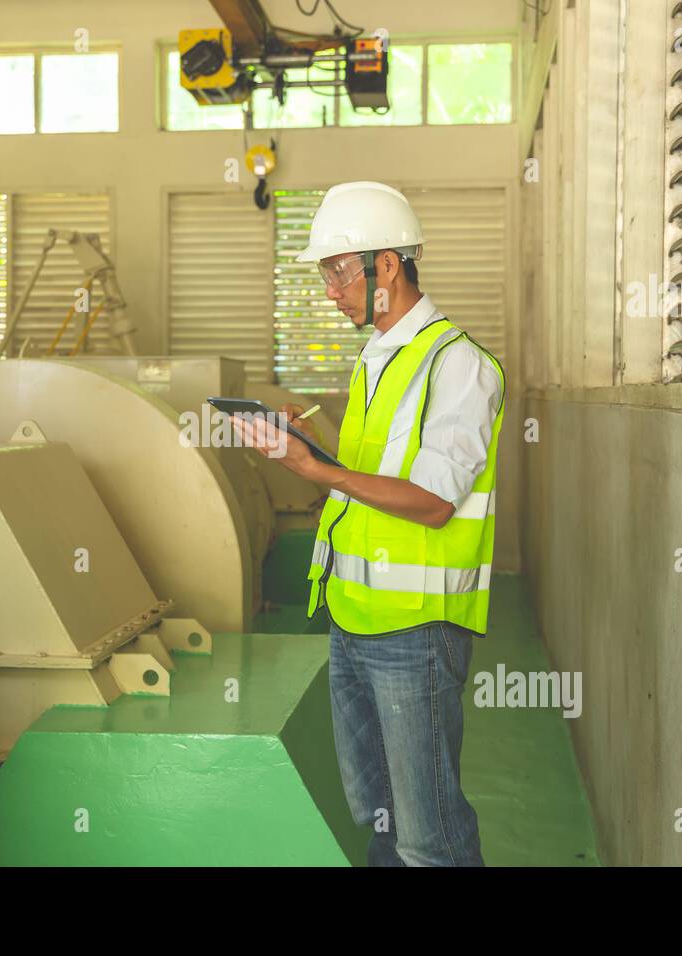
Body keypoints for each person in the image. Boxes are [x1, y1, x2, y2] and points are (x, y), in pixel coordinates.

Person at [231, 181, 504, 866]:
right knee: (377, 817)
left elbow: (434, 500)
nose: (329, 289)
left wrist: (313, 470)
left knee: (428, 832)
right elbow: (374, 470)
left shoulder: (459, 364)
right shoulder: (378, 356)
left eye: (338, 270)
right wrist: (312, 436)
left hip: (414, 628)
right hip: (353, 619)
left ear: (388, 266)